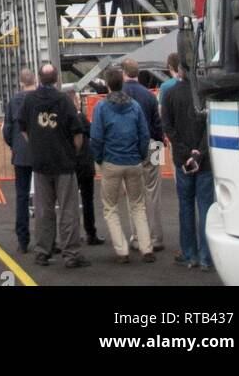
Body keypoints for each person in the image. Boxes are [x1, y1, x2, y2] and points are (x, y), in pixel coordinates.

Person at [19, 64, 89, 269]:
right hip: (64, 162)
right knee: (68, 210)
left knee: (43, 210)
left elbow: (22, 127)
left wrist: (34, 145)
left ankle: (43, 251)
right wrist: (73, 152)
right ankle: (71, 253)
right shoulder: (64, 101)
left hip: (41, 163)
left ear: (39, 79)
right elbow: (77, 132)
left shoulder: (30, 100)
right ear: (57, 79)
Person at [90, 66, 153, 264]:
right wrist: (141, 155)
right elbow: (144, 134)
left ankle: (122, 250)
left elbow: (96, 137)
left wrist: (99, 159)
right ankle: (146, 247)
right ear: (122, 83)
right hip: (133, 160)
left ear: (108, 85)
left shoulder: (101, 107)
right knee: (138, 205)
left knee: (110, 207)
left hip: (111, 161)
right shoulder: (134, 106)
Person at [161, 63, 214, 270]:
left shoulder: (170, 94)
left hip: (182, 161)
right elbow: (210, 126)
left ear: (179, 71)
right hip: (204, 161)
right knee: (206, 208)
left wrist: (184, 154)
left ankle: (189, 254)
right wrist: (198, 153)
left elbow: (167, 127)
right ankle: (206, 256)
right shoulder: (206, 94)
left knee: (185, 207)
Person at [121, 57, 164, 251]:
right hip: (153, 145)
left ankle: (138, 237)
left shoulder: (120, 95)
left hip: (129, 148)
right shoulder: (149, 95)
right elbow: (157, 124)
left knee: (134, 195)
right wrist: (159, 151)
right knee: (153, 192)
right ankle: (156, 238)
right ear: (138, 73)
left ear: (124, 73)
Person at [64, 87, 104, 246]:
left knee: (70, 202)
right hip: (85, 164)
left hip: (70, 164)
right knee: (88, 200)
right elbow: (92, 132)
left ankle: (72, 233)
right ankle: (90, 232)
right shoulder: (80, 118)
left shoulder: (64, 119)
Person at [2, 67, 36, 252]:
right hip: (41, 153)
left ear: (21, 83)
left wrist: (14, 144)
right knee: (46, 197)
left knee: (22, 196)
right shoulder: (41, 98)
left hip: (21, 153)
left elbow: (7, 129)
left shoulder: (14, 102)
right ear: (35, 80)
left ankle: (23, 241)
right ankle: (48, 239)